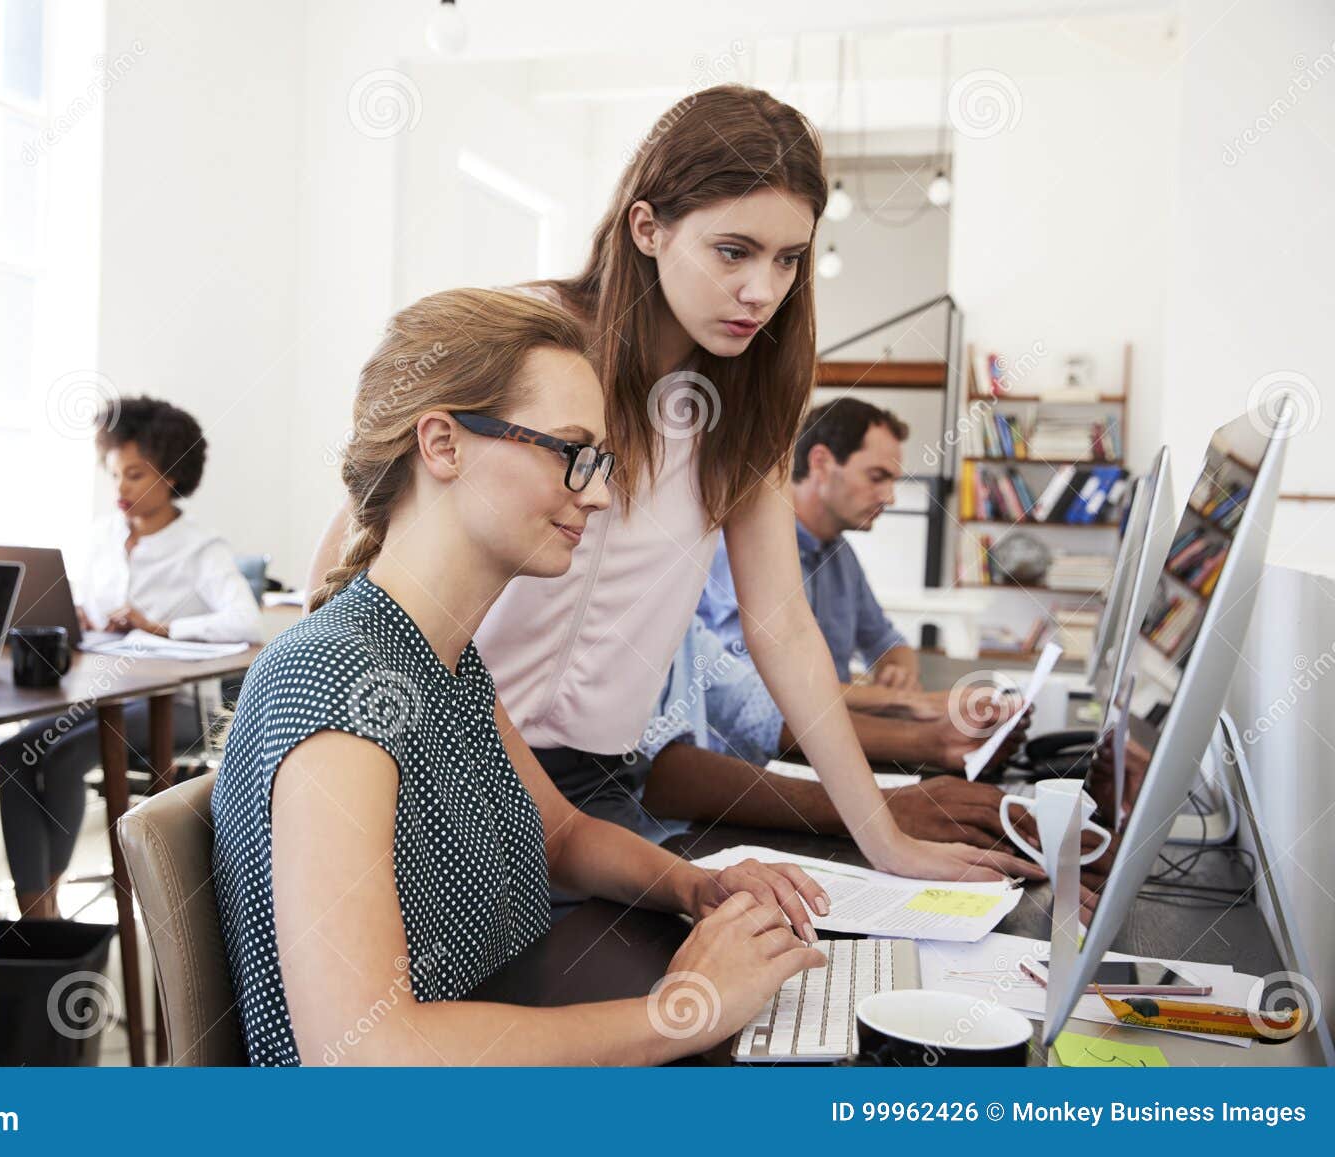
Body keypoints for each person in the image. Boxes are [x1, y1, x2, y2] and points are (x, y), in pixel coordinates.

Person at [308, 85, 1034, 884]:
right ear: (647, 227)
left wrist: (885, 838)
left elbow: (783, 623)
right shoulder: (531, 344)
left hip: (600, 780)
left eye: (788, 258)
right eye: (734, 251)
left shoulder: (748, 401)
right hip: (451, 749)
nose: (762, 290)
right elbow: (343, 563)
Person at [214, 289, 834, 1066]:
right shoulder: (336, 682)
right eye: (571, 452)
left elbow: (563, 835)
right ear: (442, 443)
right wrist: (681, 1011)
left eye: (601, 461)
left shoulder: (446, 660)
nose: (599, 492)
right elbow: (366, 1053)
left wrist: (692, 885)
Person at [0, 396, 264, 919]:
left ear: (172, 474)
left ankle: (43, 915)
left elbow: (246, 622)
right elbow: (86, 612)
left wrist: (158, 625)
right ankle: (37, 910)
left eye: (135, 475)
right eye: (116, 475)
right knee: (13, 753)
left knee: (63, 755)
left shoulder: (199, 547)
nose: (121, 489)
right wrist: (79, 616)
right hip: (99, 693)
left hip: (179, 705)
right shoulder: (100, 538)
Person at [624, 617, 1033, 844]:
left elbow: (760, 711)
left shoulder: (683, 610)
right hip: (606, 891)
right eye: (878, 477)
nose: (889, 495)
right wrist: (875, 808)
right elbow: (648, 773)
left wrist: (933, 742)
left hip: (681, 844)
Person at [699, 397, 922, 696]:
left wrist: (898, 671)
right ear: (821, 463)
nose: (890, 498)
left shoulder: (840, 553)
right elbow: (758, 688)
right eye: (877, 477)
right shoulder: (745, 546)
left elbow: (886, 643)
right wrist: (885, 699)